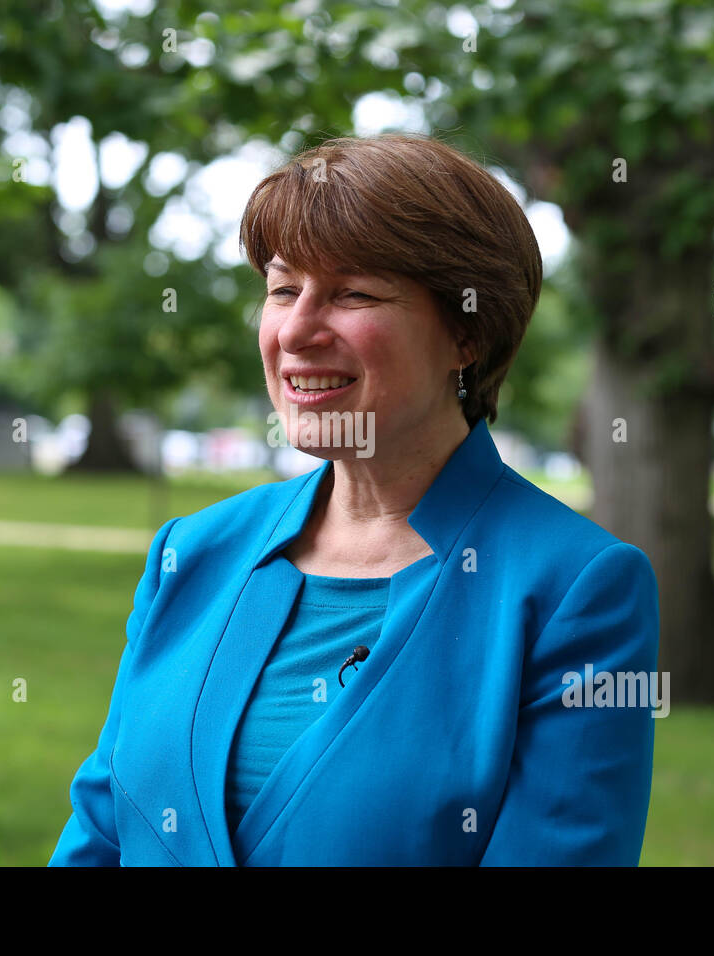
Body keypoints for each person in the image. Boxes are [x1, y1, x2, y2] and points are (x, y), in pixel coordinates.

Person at [49, 133, 659, 866]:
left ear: (467, 332)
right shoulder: (191, 553)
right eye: (282, 289)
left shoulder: (578, 590)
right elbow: (104, 833)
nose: (298, 330)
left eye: (353, 293)